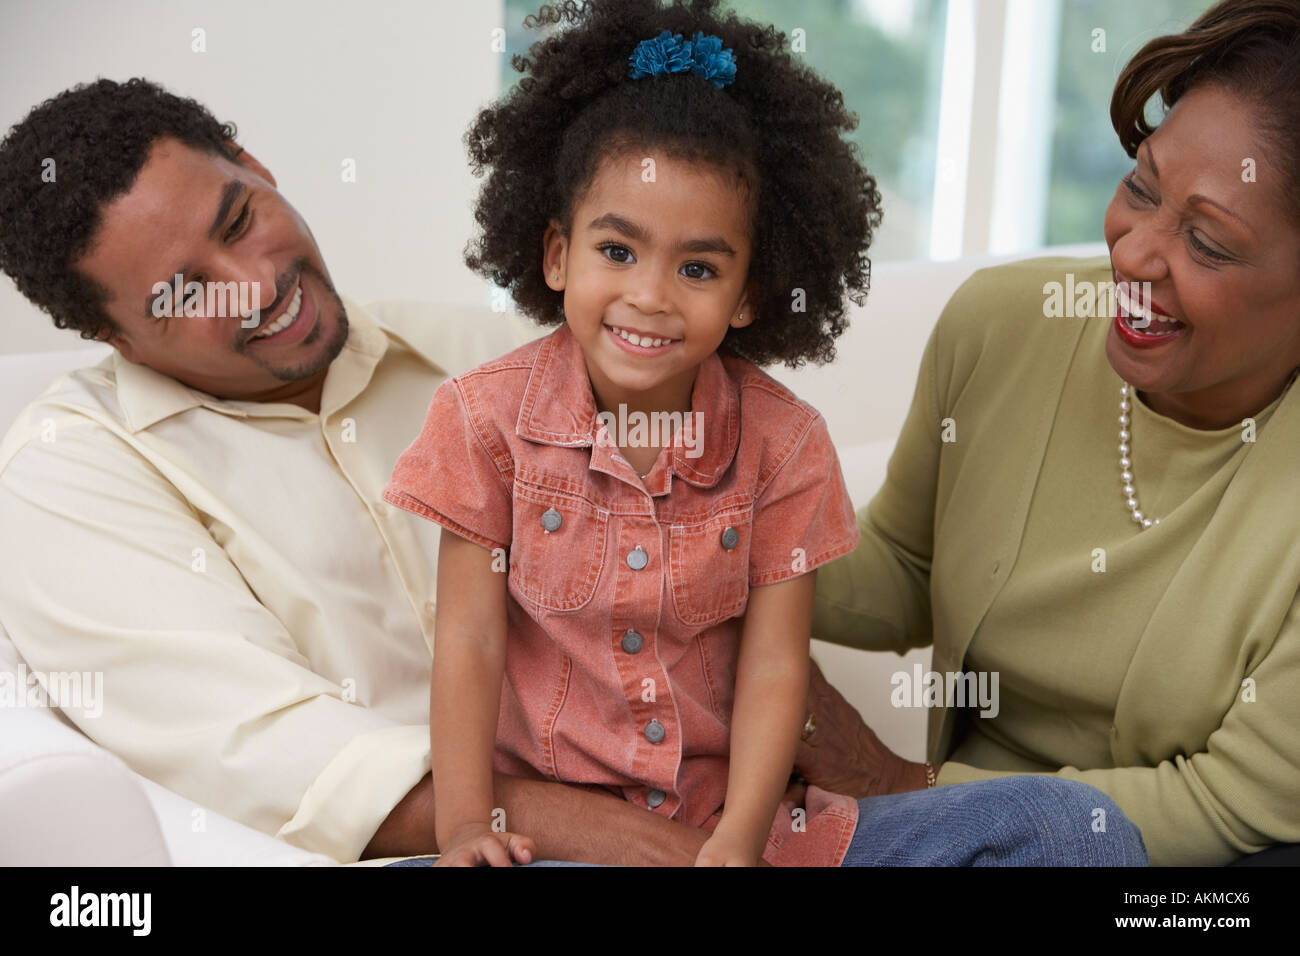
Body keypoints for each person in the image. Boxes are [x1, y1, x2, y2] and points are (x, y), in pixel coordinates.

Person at [381, 0, 1147, 867]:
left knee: (1072, 828)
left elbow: (777, 668)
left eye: (698, 267)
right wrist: (464, 832)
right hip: (555, 843)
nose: (651, 295)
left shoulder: (784, 444)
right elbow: (471, 641)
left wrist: (739, 843)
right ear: (558, 255)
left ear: (749, 293)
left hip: (752, 833)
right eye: (617, 251)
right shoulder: (482, 421)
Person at [809, 0, 1300, 867]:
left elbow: (1231, 806)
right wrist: (719, 541)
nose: (1135, 253)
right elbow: (905, 570)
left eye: (1209, 243)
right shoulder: (1003, 327)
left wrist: (906, 790)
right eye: (1141, 188)